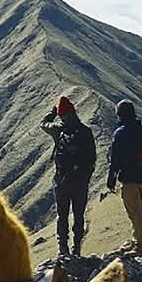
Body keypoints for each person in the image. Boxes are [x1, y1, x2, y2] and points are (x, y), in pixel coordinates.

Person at [40, 96, 96, 255]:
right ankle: (77, 247)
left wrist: (52, 113)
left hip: (62, 180)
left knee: (62, 215)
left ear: (61, 114)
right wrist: (85, 176)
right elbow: (92, 157)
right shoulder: (86, 131)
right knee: (79, 215)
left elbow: (43, 124)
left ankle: (62, 248)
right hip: (80, 182)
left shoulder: (58, 129)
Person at [106, 100, 142, 255]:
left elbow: (115, 159)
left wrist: (111, 177)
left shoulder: (120, 133)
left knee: (135, 213)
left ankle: (141, 246)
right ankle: (138, 239)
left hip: (129, 179)